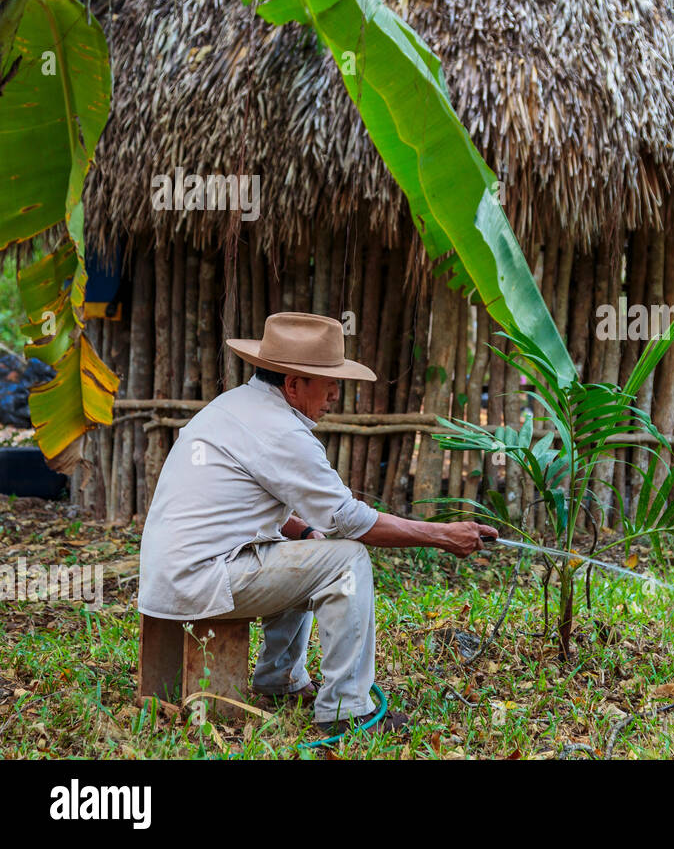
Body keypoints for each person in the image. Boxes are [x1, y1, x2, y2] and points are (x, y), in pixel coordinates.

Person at [137, 311, 497, 734]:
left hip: (174, 573)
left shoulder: (234, 407)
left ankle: (279, 681)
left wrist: (304, 532)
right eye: (331, 385)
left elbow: (238, 505)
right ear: (293, 384)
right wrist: (441, 535)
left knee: (308, 553)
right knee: (347, 559)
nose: (335, 396)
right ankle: (346, 710)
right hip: (201, 579)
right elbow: (348, 520)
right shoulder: (281, 432)